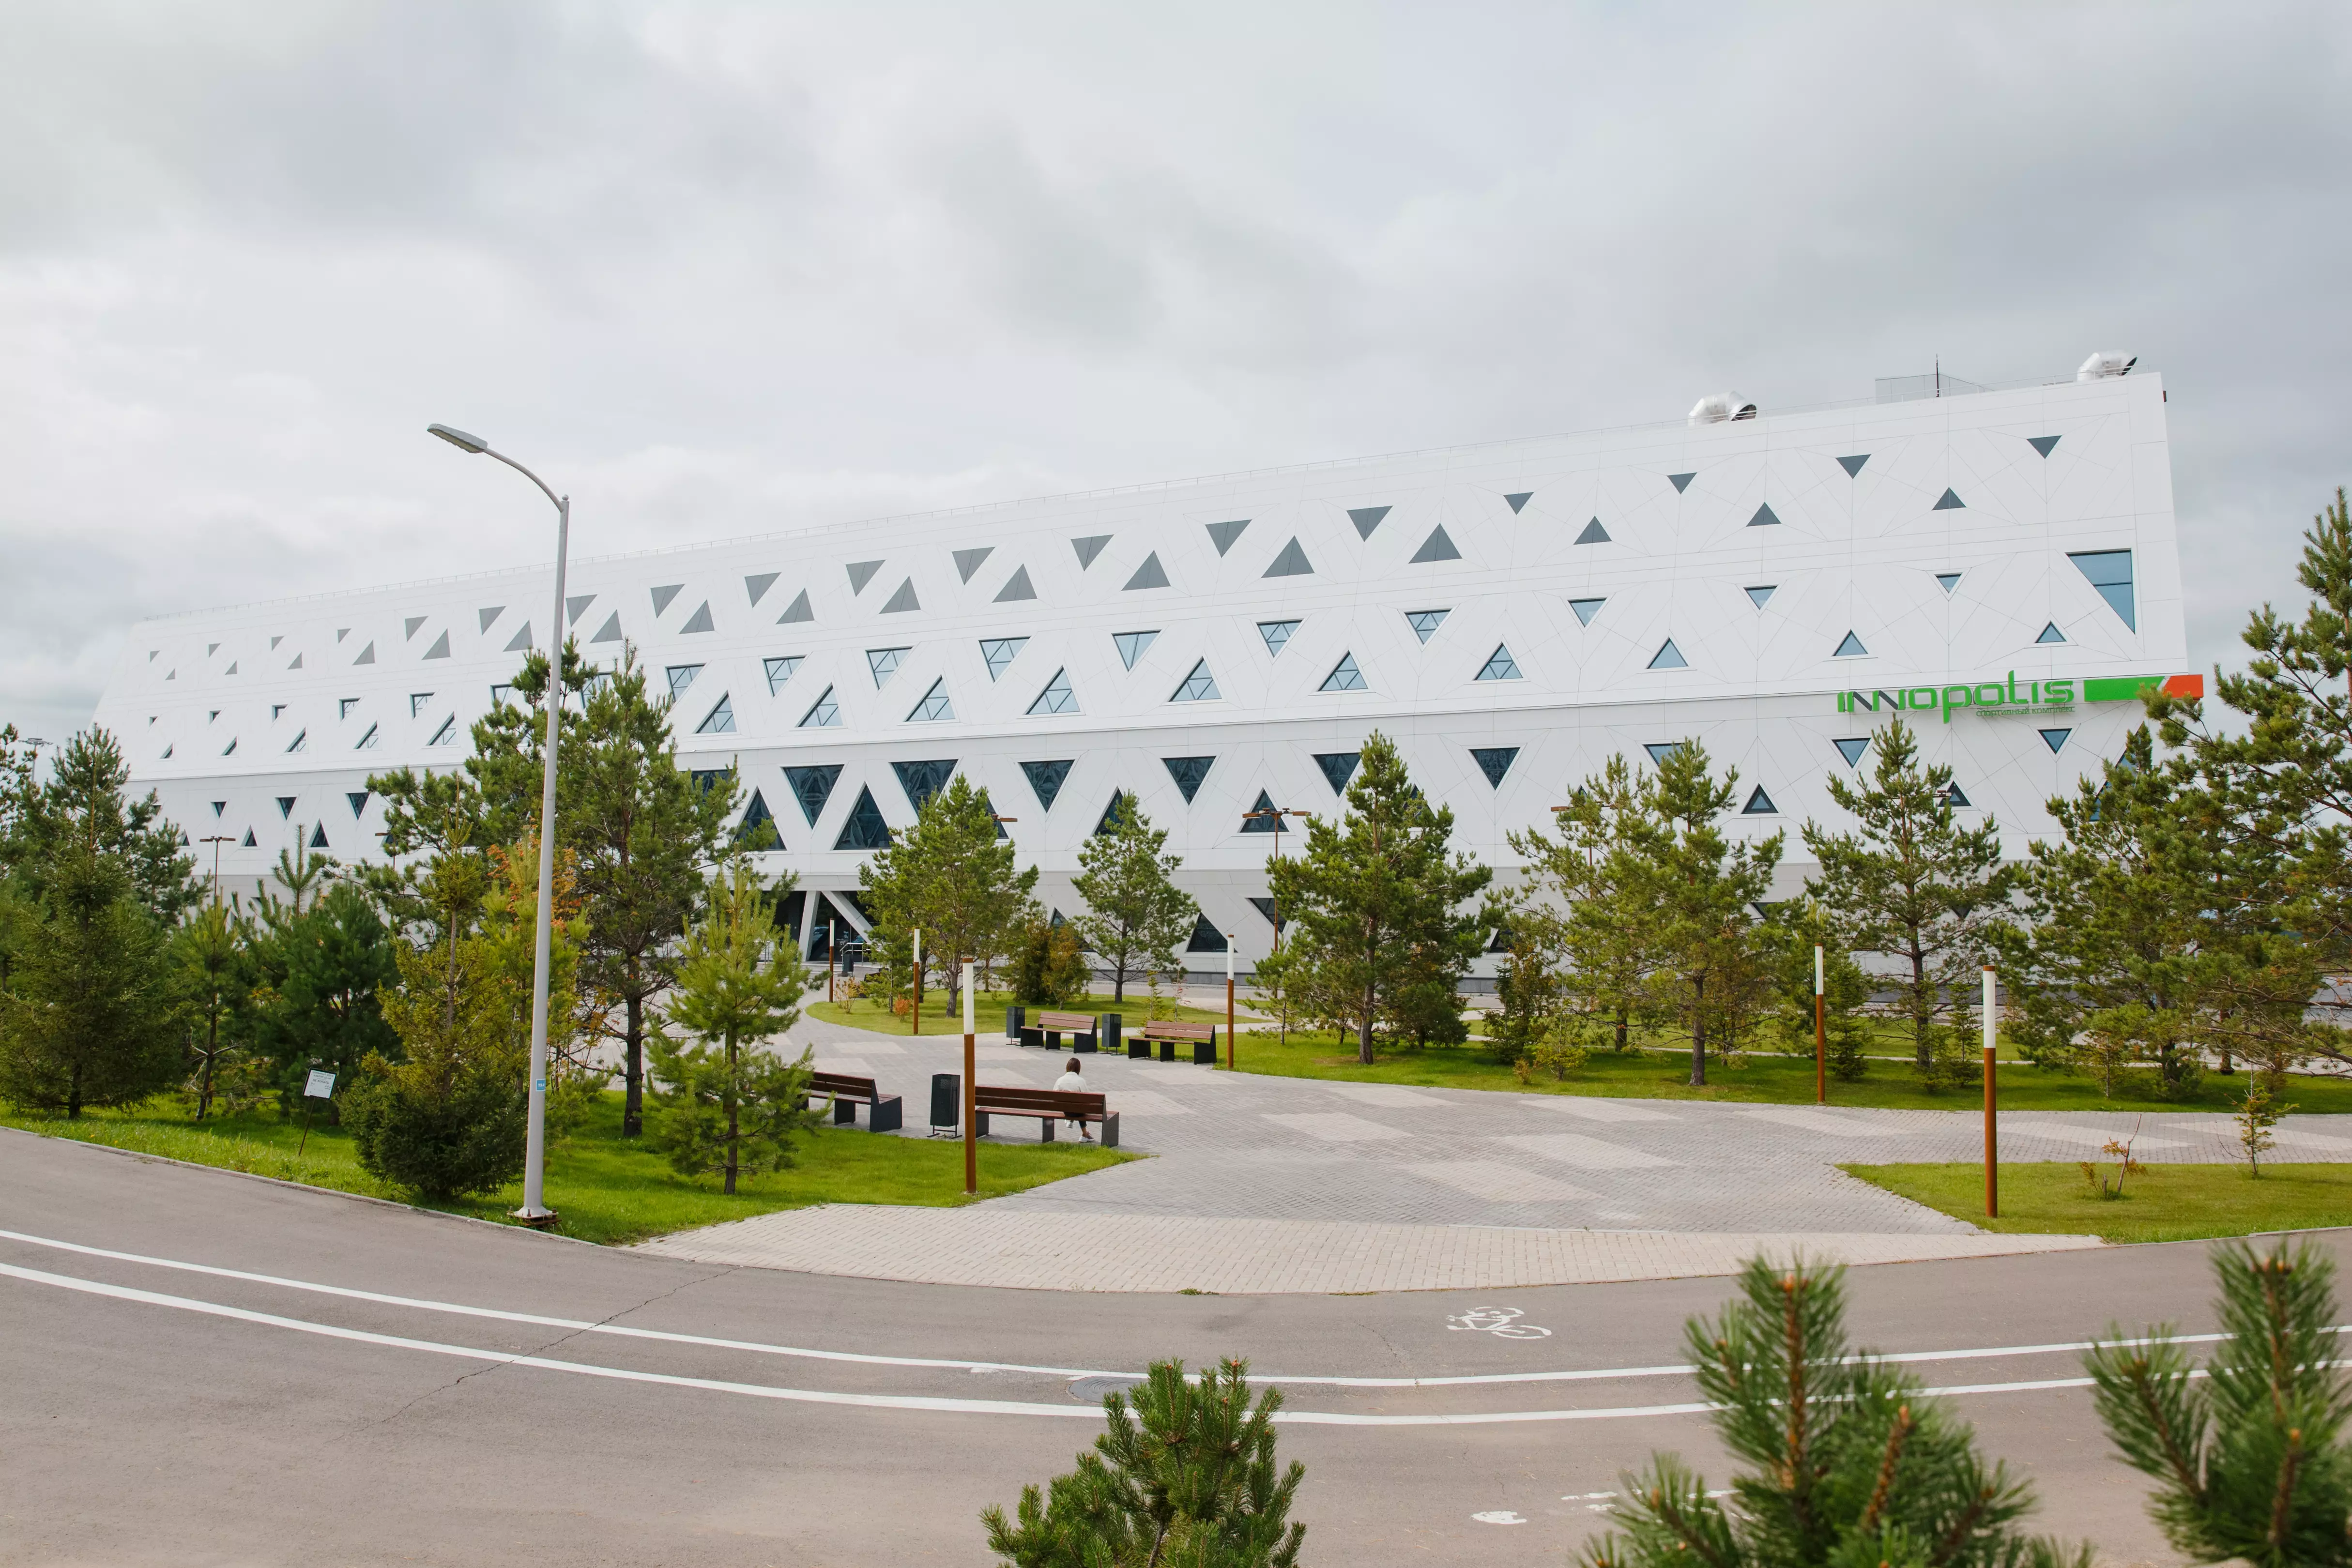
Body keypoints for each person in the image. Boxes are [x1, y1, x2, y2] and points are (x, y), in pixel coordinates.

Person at [1053, 1057, 1093, 1140]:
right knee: (1080, 1106)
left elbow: (1054, 1098)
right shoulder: (1081, 1081)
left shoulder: (1060, 1080)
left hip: (1066, 1110)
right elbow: (1088, 1099)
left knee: (1075, 1106)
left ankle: (1071, 1120)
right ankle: (1085, 1134)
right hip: (1078, 1111)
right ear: (1079, 1069)